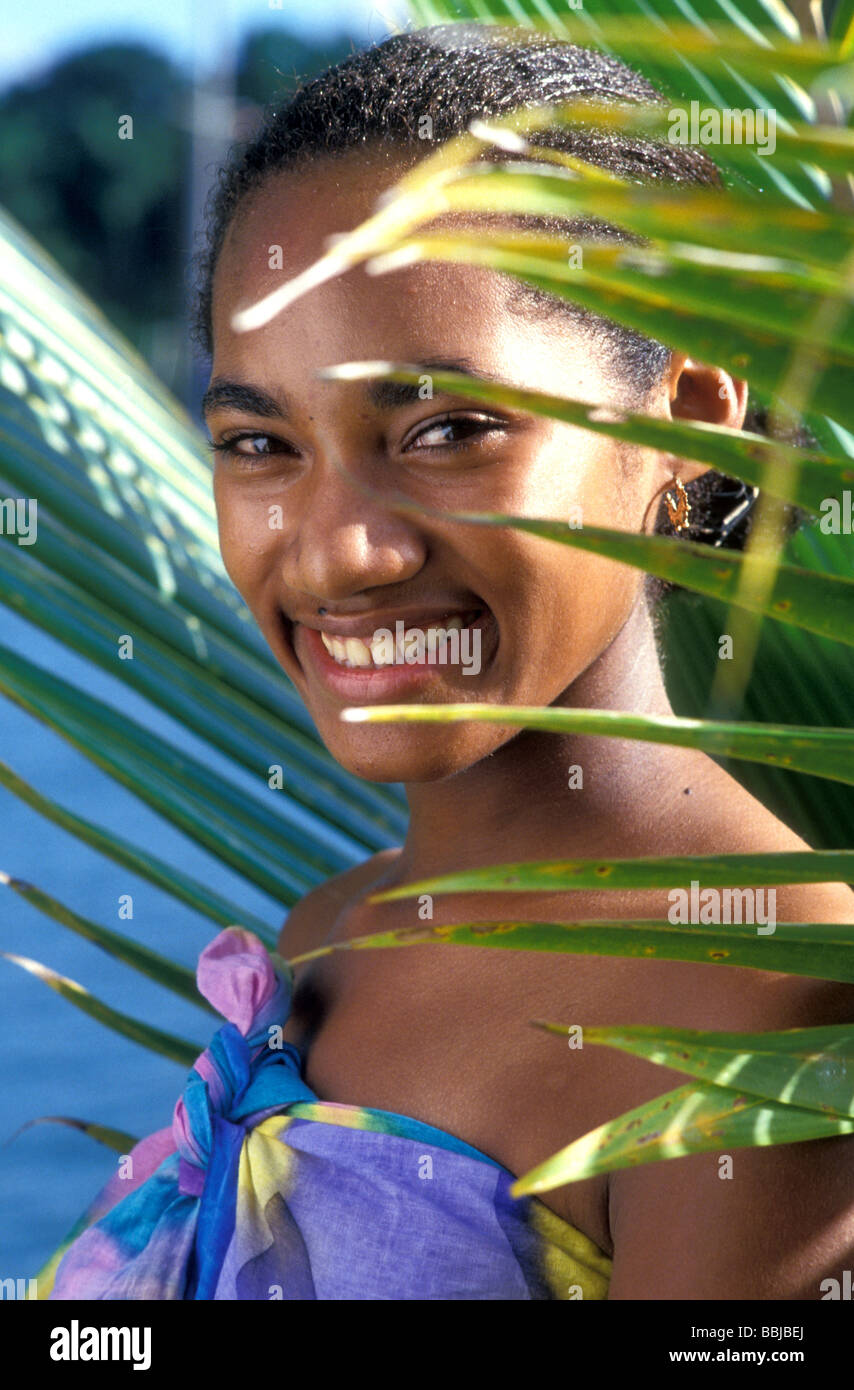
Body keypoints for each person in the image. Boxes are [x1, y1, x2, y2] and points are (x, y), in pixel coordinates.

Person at [48, 22, 854, 1301]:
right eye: (260, 445)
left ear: (688, 429)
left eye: (445, 429)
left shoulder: (775, 1011)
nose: (335, 556)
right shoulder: (325, 935)